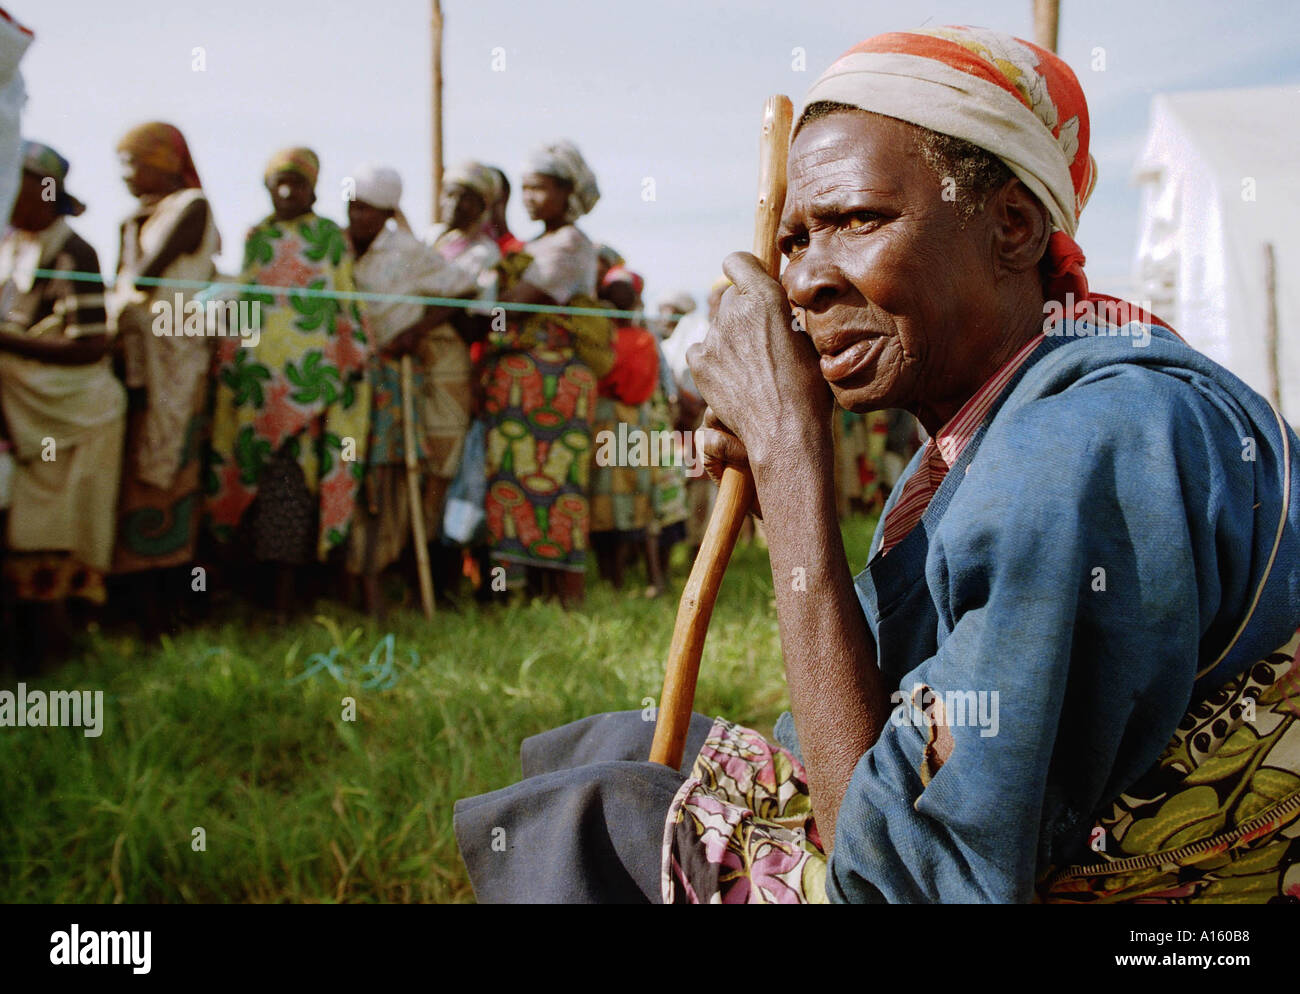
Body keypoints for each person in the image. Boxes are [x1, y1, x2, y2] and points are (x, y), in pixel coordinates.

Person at [455, 26, 1300, 904]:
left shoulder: (1088, 444)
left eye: (857, 220)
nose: (808, 282)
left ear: (1012, 226)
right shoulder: (996, 422)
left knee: (604, 816)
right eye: (794, 243)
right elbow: (893, 735)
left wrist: (790, 464)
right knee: (616, 747)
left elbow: (904, 885)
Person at [206, 147, 370, 620]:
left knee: (296, 486)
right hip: (258, 385)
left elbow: (342, 307)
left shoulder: (328, 238)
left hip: (312, 389)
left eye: (295, 183)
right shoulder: (259, 238)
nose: (285, 191)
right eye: (277, 183)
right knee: (251, 479)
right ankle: (253, 598)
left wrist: (340, 366)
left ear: (313, 188)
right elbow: (248, 304)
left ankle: (288, 602)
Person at [0, 142, 125, 666]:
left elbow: (91, 343)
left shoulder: (74, 251)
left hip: (73, 414)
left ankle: (52, 666)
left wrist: (5, 346)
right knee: (25, 532)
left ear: (45, 191)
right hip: (30, 416)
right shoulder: (14, 246)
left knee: (57, 535)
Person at [479, 140, 612, 607]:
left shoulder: (570, 244)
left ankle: (565, 596)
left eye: (542, 188)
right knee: (511, 481)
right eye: (526, 189)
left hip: (553, 382)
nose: (531, 197)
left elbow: (517, 301)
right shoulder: (537, 243)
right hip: (520, 378)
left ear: (567, 192)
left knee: (555, 483)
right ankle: (517, 592)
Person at [106, 122, 221, 632]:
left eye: (136, 163)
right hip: (139, 356)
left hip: (176, 357)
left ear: (166, 161)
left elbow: (145, 278)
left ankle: (168, 602)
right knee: (135, 460)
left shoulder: (190, 206)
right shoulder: (135, 218)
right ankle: (134, 598)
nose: (128, 175)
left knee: (171, 461)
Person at [345, 162, 472, 618]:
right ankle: (354, 582)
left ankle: (384, 587)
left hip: (395, 377)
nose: (356, 217)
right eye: (352, 207)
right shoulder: (336, 248)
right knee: (352, 472)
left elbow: (461, 289)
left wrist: (415, 332)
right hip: (349, 376)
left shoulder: (406, 250)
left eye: (366, 210)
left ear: (385, 213)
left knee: (390, 472)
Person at [589, 266, 655, 589]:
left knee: (626, 493)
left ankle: (618, 577)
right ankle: (610, 577)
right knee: (608, 494)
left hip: (623, 421)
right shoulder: (605, 337)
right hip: (614, 421)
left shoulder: (642, 339)